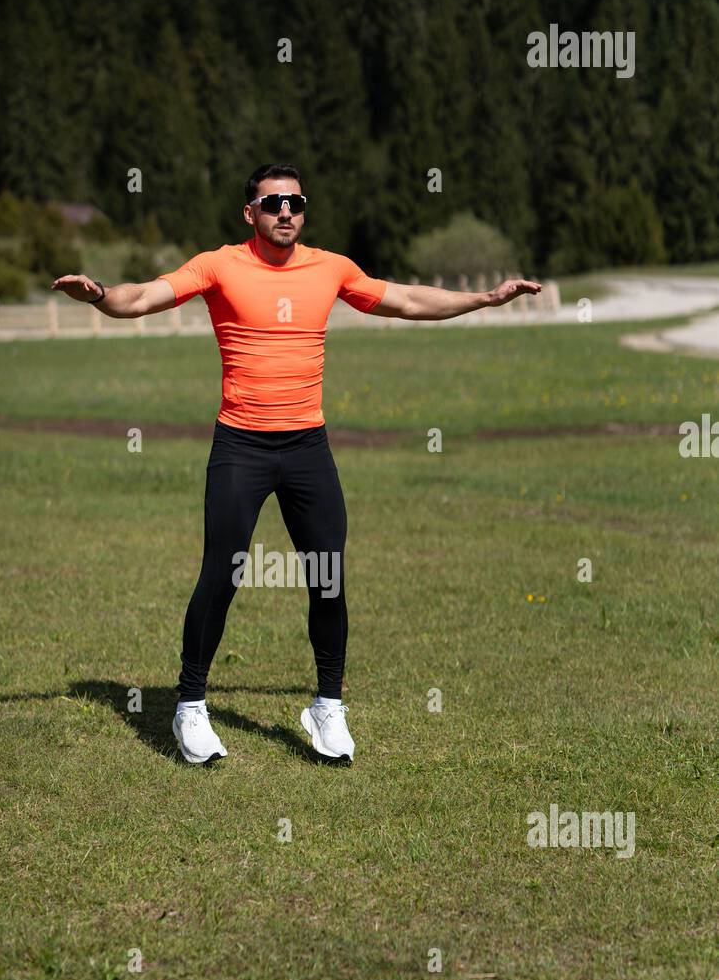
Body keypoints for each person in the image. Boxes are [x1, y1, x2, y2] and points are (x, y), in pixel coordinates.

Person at [52, 162, 541, 765]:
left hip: (308, 448)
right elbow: (143, 297)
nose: (286, 212)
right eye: (273, 203)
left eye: (296, 202)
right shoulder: (217, 266)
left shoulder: (330, 268)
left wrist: (486, 299)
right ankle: (190, 706)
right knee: (222, 573)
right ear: (250, 213)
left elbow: (408, 299)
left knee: (328, 575)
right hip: (241, 447)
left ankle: (327, 706)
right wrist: (100, 295)